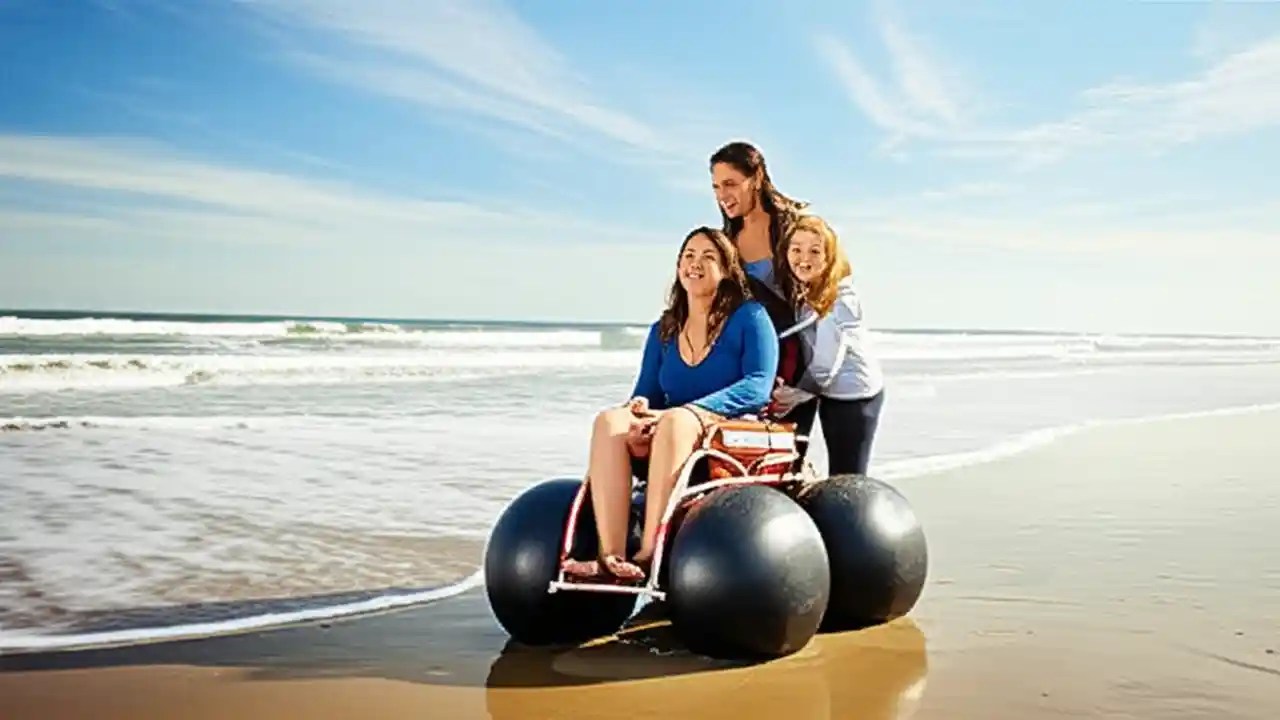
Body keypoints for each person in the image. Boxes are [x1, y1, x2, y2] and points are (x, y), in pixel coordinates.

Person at [563, 226, 779, 582]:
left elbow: (757, 386)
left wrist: (686, 413)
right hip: (671, 424)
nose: (696, 263)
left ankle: (649, 554)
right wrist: (639, 411)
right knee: (609, 422)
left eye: (709, 257)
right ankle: (610, 556)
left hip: (729, 426)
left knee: (676, 421)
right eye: (689, 255)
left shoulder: (750, 317)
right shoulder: (663, 329)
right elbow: (648, 391)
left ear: (727, 270)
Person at [708, 141, 819, 436]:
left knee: (788, 451)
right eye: (716, 187)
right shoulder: (726, 240)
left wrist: (807, 381)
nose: (722, 196)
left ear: (756, 178)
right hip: (752, 360)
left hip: (797, 361)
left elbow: (829, 286)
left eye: (730, 184)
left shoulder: (794, 228)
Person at [771, 213, 885, 475]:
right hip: (828, 392)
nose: (804, 258)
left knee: (848, 474)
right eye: (796, 249)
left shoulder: (841, 298)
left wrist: (794, 395)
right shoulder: (806, 289)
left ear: (828, 257)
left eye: (814, 251)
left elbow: (826, 363)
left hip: (856, 397)